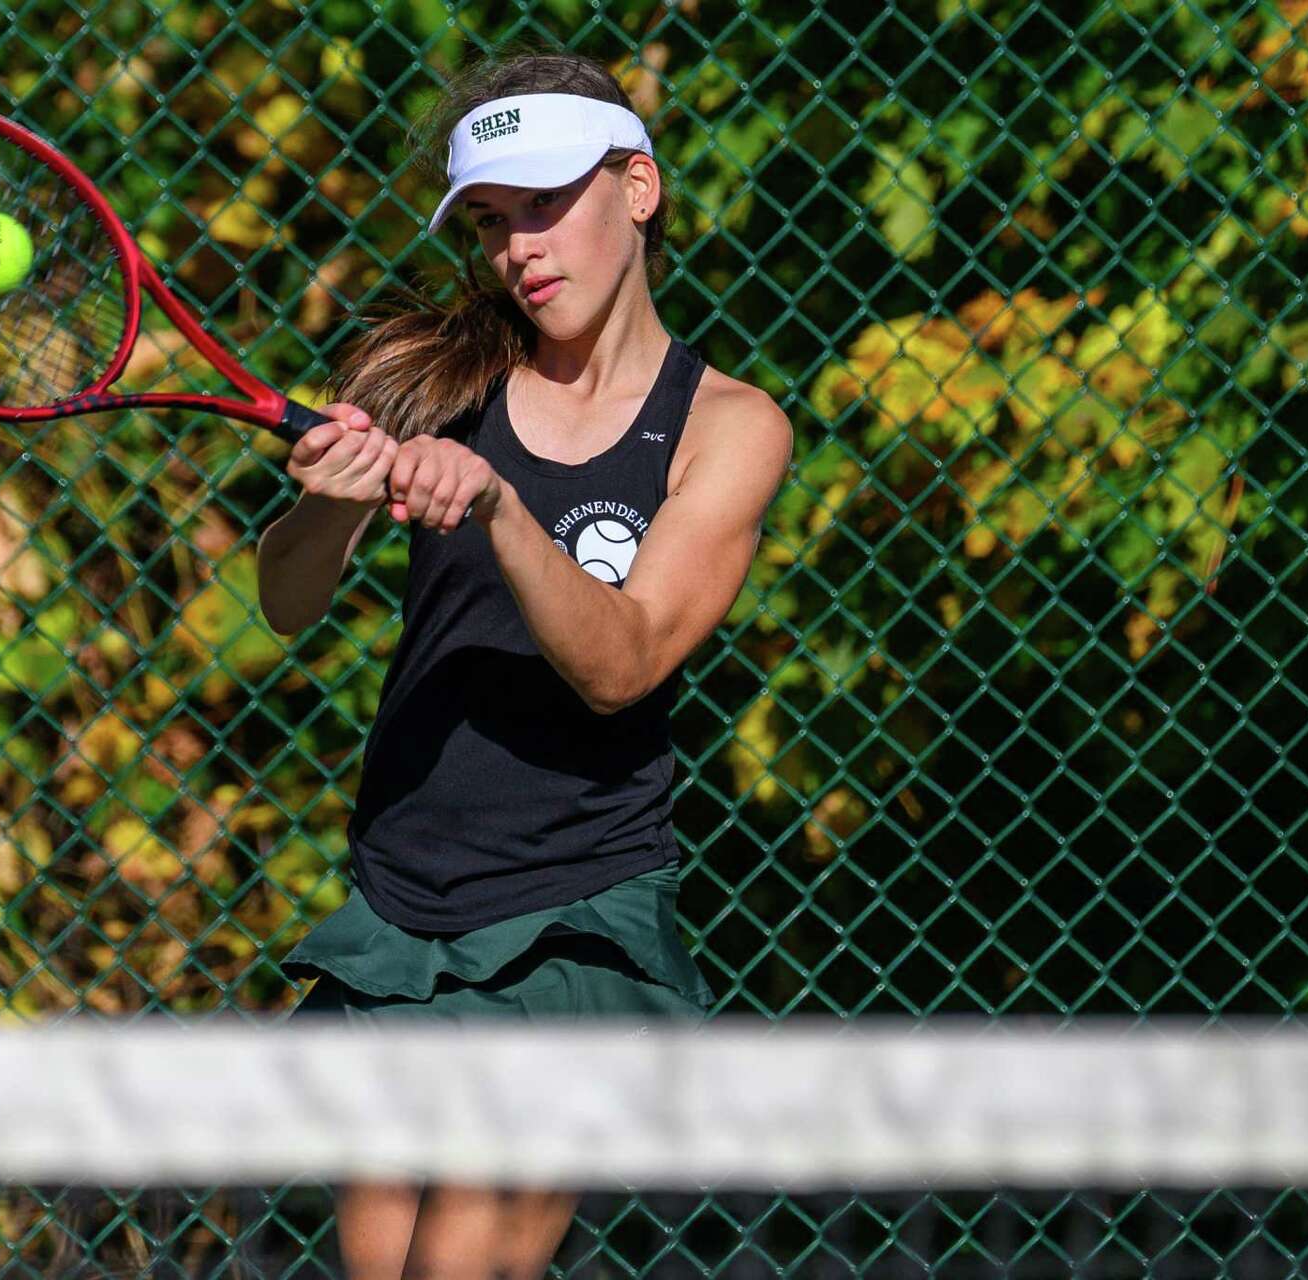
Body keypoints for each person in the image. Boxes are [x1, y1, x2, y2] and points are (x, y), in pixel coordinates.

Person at [256, 46, 793, 1280]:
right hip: (401, 899)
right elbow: (287, 602)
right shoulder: (423, 377)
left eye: (546, 202)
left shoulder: (728, 428)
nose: (521, 248)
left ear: (639, 188)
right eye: (493, 222)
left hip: (572, 912)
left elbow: (628, 661)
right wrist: (331, 505)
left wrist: (501, 508)